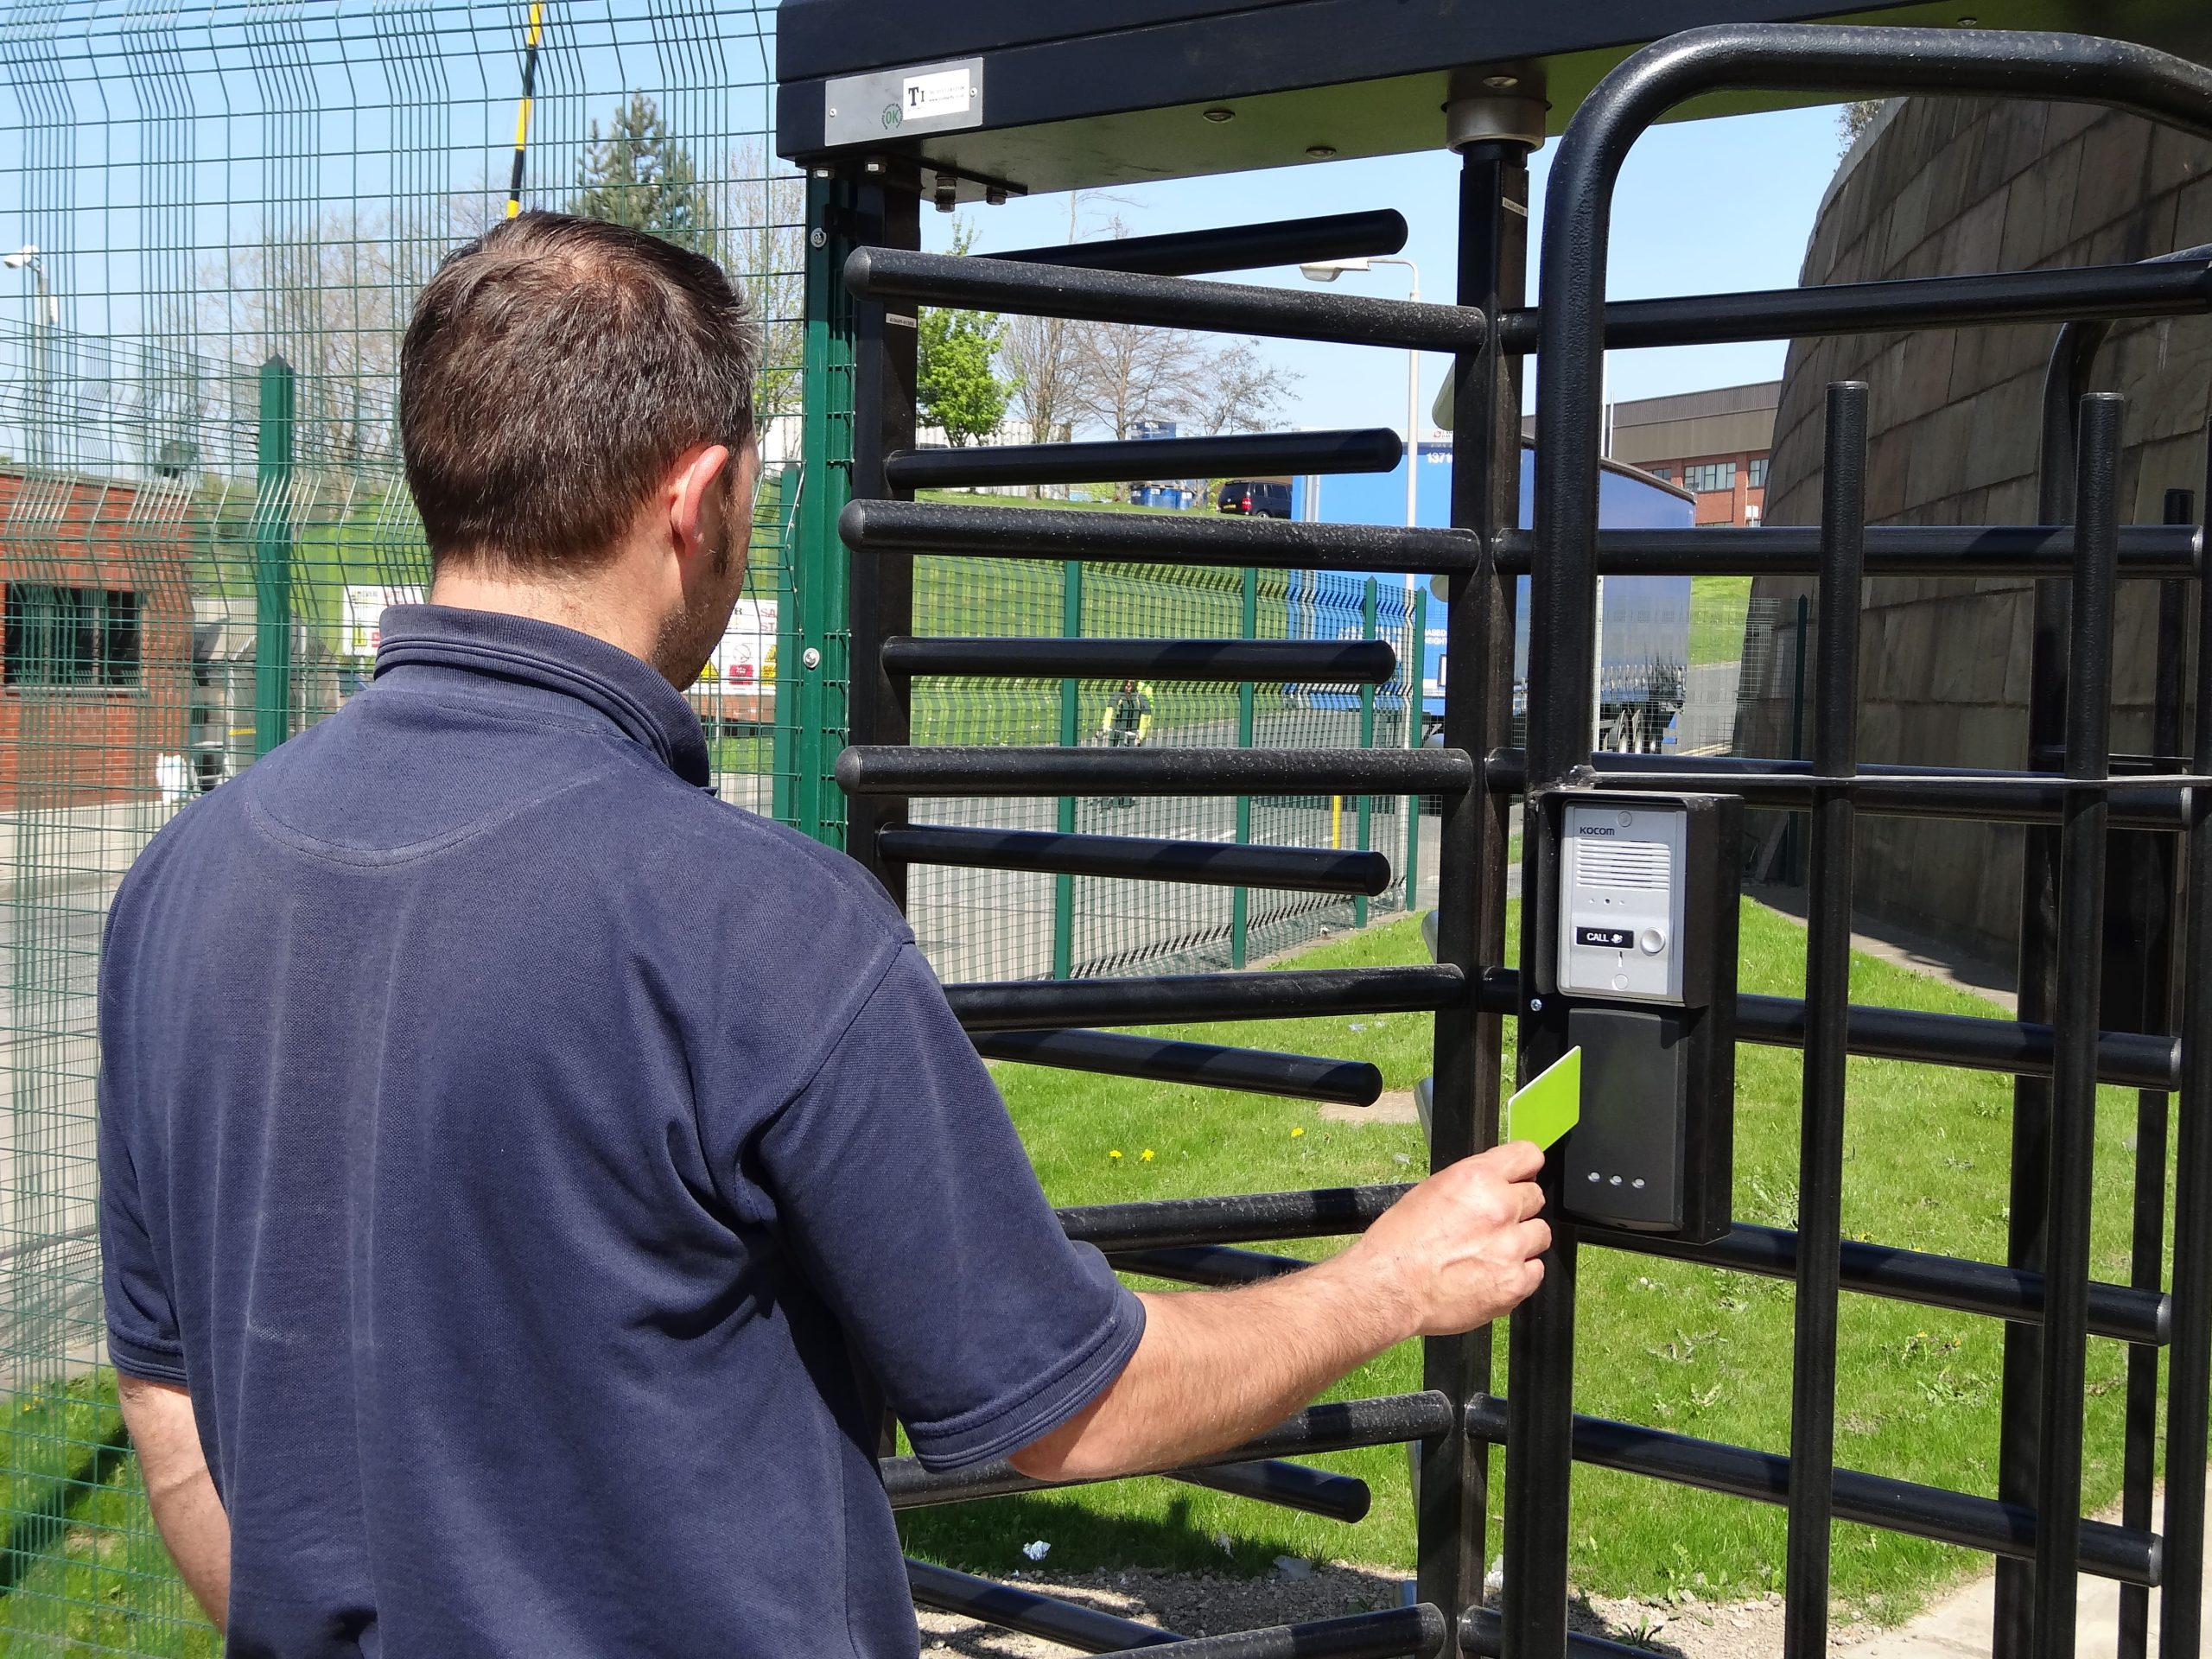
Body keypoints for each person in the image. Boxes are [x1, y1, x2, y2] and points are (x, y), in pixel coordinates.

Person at [97, 210, 1549, 1657]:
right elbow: (1068, 1402)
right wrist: (1389, 1284)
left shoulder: (178, 885)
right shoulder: (749, 924)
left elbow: (170, 1419)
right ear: (701, 498)